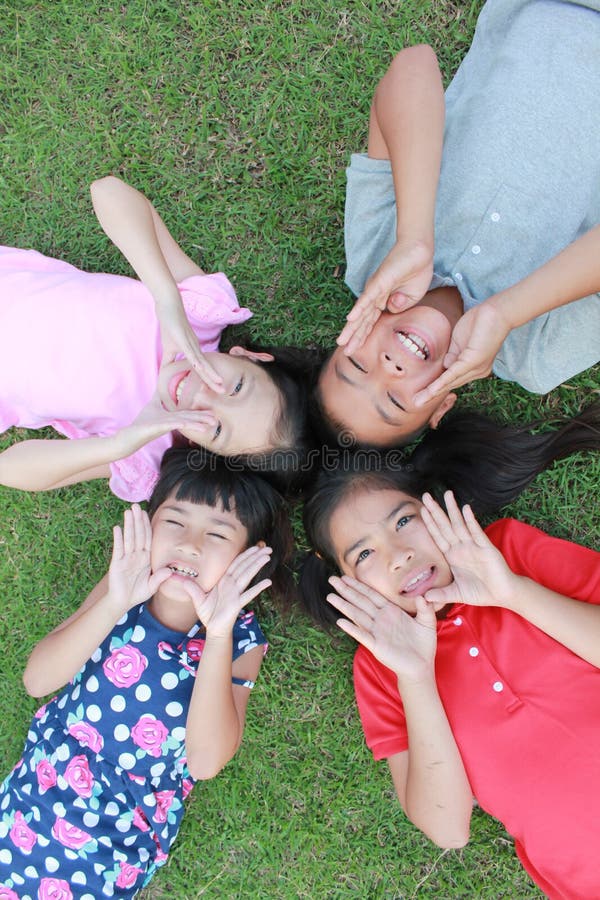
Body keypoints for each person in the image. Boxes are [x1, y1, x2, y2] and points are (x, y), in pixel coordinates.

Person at [298, 404, 600, 899]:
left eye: (403, 522)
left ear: (433, 506)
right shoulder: (380, 666)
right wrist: (415, 676)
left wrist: (512, 593)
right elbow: (448, 829)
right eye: (365, 555)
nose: (400, 557)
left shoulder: (506, 551)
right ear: (346, 581)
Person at [0, 448, 294, 899]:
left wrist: (217, 634)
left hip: (112, 848)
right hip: (31, 801)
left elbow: (205, 761)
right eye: (174, 521)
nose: (189, 544)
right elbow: (37, 681)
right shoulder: (126, 582)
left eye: (218, 534)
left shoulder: (239, 641)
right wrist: (116, 599)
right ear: (151, 523)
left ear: (249, 557)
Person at [316, 0, 600, 447]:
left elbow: (414, 65)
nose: (388, 368)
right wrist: (506, 313)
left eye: (356, 366)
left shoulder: (373, 257)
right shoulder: (534, 356)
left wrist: (413, 239)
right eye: (393, 402)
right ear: (442, 405)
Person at [0, 176, 312, 500]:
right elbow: (107, 192)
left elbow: (9, 469)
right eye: (236, 387)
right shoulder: (200, 317)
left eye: (217, 429)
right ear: (249, 357)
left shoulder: (147, 446)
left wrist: (118, 444)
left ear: (206, 451)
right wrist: (166, 298)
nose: (204, 397)